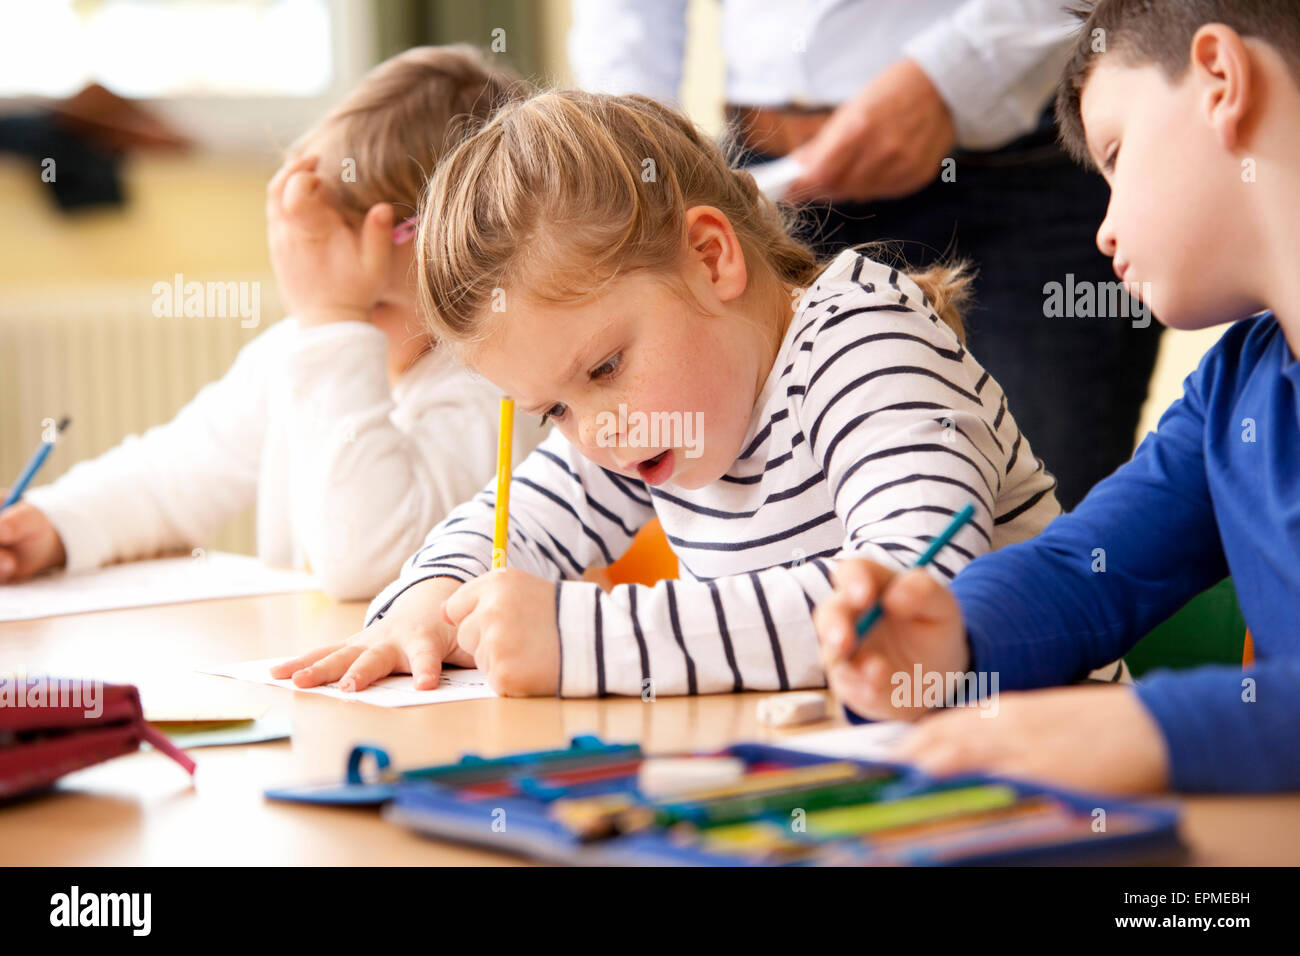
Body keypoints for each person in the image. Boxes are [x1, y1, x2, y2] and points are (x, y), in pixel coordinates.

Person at [814, 0, 1300, 794]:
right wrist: (947, 647)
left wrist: (1143, 729)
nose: (1104, 231)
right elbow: (1083, 570)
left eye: (1116, 152)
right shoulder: (1233, 392)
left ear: (1219, 78)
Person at [568, 0, 1166, 510]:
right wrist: (632, 174)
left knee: (1046, 512)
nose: (603, 432)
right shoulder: (621, 416)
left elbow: (912, 570)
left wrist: (952, 77)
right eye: (554, 408)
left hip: (1024, 166)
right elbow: (565, 497)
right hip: (771, 180)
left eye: (605, 367)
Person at [0, 46, 542, 600]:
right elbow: (170, 480)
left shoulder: (491, 383)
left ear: (470, 241)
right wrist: (50, 525)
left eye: (367, 302)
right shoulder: (302, 348)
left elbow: (371, 566)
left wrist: (336, 321)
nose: (330, 288)